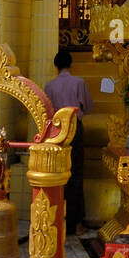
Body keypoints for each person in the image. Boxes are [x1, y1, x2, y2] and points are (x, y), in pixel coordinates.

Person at [44, 49, 93, 236]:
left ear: (56, 66)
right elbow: (87, 106)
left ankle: (59, 221)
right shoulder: (78, 82)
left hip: (56, 133)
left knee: (58, 175)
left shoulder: (50, 86)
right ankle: (77, 224)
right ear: (71, 64)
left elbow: (47, 111)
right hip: (74, 129)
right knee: (76, 174)